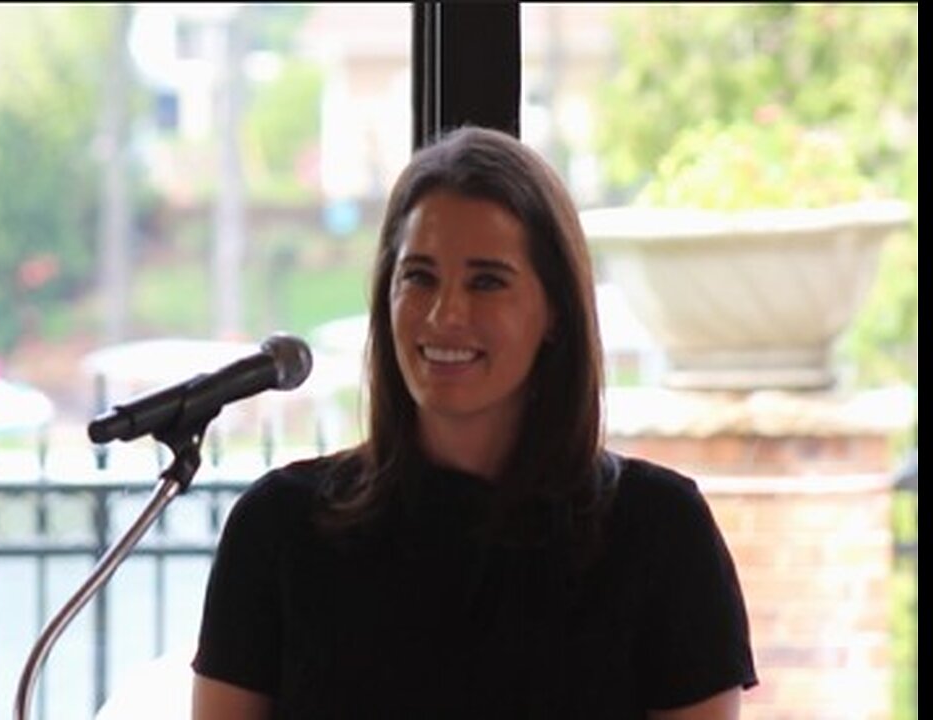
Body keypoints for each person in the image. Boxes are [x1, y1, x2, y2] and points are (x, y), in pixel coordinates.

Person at [190, 126, 758, 719]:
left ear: (556, 313)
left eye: (487, 281)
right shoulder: (279, 528)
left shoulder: (660, 533)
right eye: (419, 277)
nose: (445, 314)